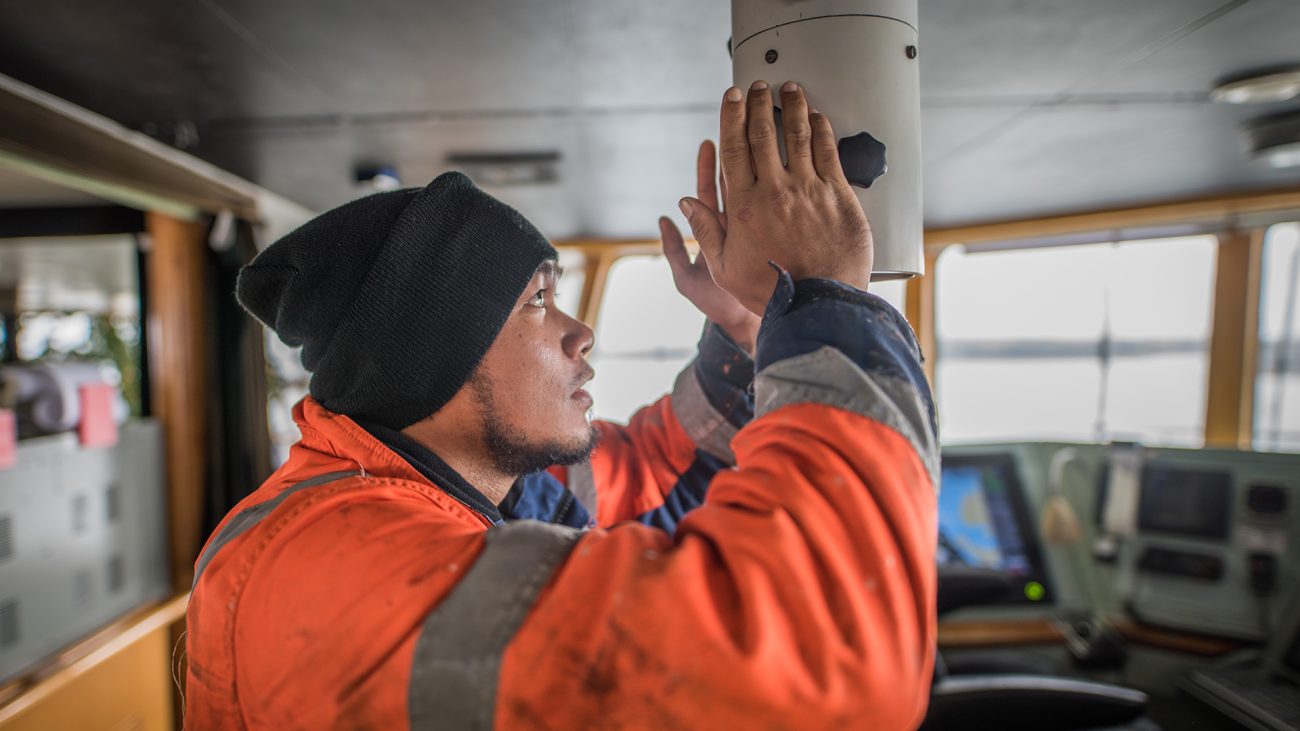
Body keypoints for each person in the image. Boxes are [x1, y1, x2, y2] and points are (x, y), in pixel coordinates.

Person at [185, 81, 938, 730]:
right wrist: (824, 294)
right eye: (537, 300)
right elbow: (815, 672)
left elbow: (650, 482)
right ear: (436, 353)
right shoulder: (332, 567)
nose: (580, 333)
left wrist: (752, 328)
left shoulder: (476, 481)